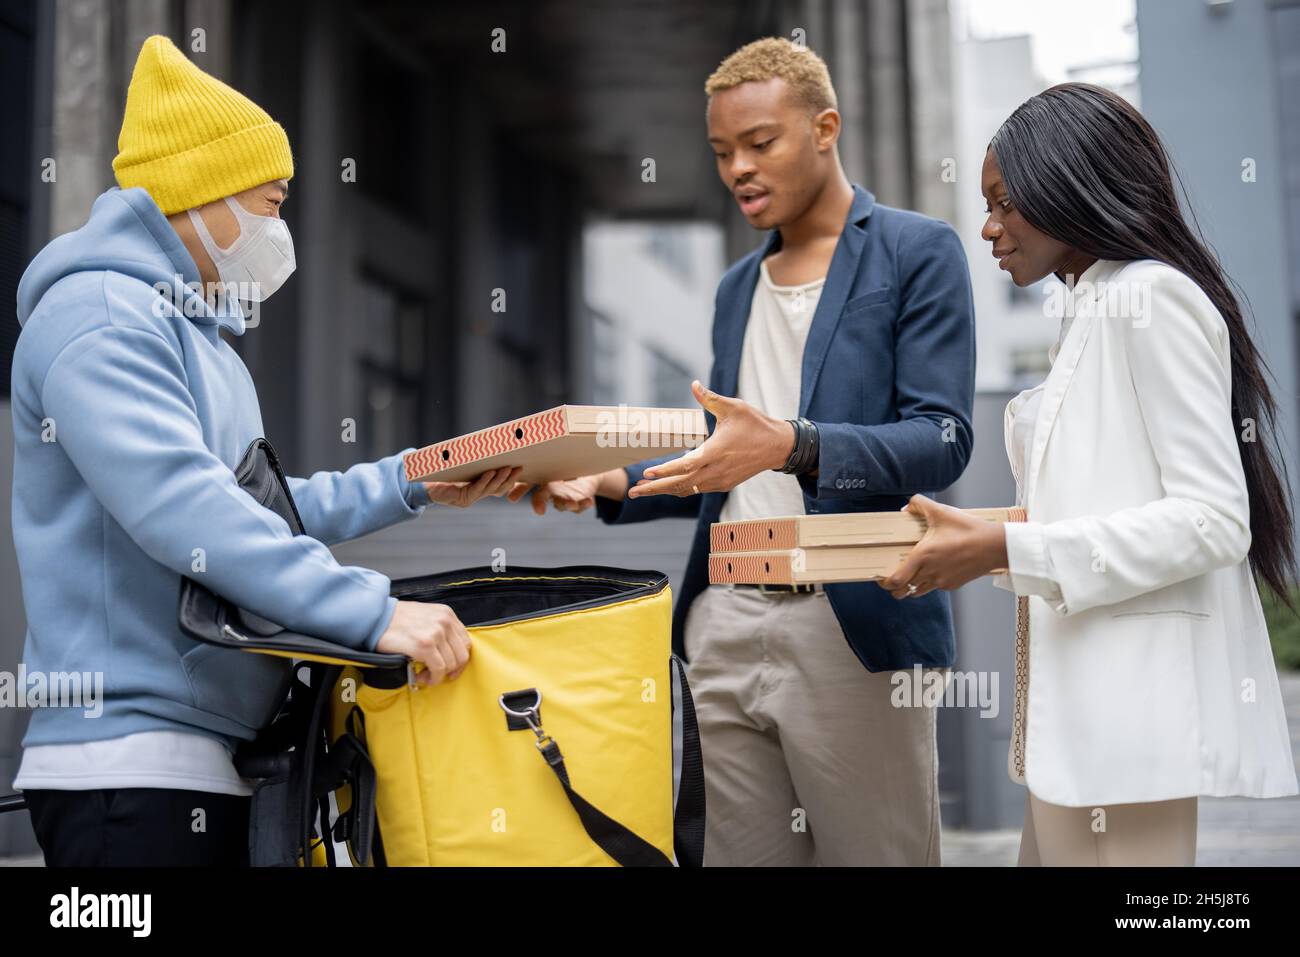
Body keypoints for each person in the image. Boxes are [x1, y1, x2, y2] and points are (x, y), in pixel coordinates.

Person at [10, 35, 516, 866]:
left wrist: (416, 479)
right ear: (199, 192)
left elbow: (253, 509)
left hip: (205, 762)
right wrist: (373, 610)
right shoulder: (99, 316)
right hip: (128, 768)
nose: (280, 230)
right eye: (272, 203)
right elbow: (187, 510)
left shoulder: (196, 334)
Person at [512, 38, 975, 865]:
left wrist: (793, 445)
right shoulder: (736, 288)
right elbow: (728, 455)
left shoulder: (915, 251)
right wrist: (612, 478)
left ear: (825, 127)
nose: (739, 169)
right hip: (724, 617)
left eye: (761, 143)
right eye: (723, 152)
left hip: (853, 616)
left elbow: (941, 440)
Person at [879, 82, 1300, 865]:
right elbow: (1098, 505)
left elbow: (1212, 519)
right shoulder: (1093, 308)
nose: (988, 228)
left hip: (1131, 729)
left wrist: (1004, 548)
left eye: (1005, 204)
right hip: (1077, 731)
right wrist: (982, 537)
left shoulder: (1152, 297)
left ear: (1069, 185)